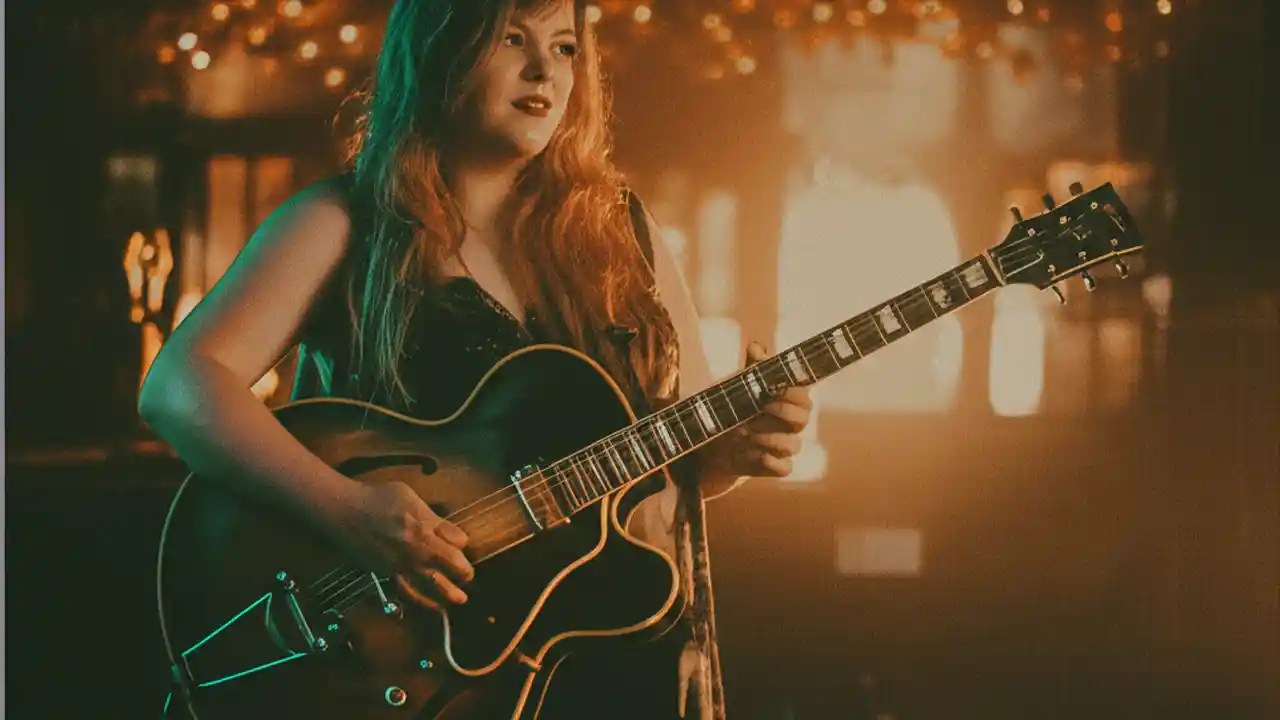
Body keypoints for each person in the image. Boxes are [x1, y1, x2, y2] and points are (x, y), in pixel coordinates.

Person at [138, 0, 812, 717]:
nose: (542, 70)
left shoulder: (626, 236)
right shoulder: (345, 221)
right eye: (511, 39)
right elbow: (178, 389)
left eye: (564, 48)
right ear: (440, 52)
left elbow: (672, 473)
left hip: (616, 654)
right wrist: (351, 512)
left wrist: (737, 450)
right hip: (428, 668)